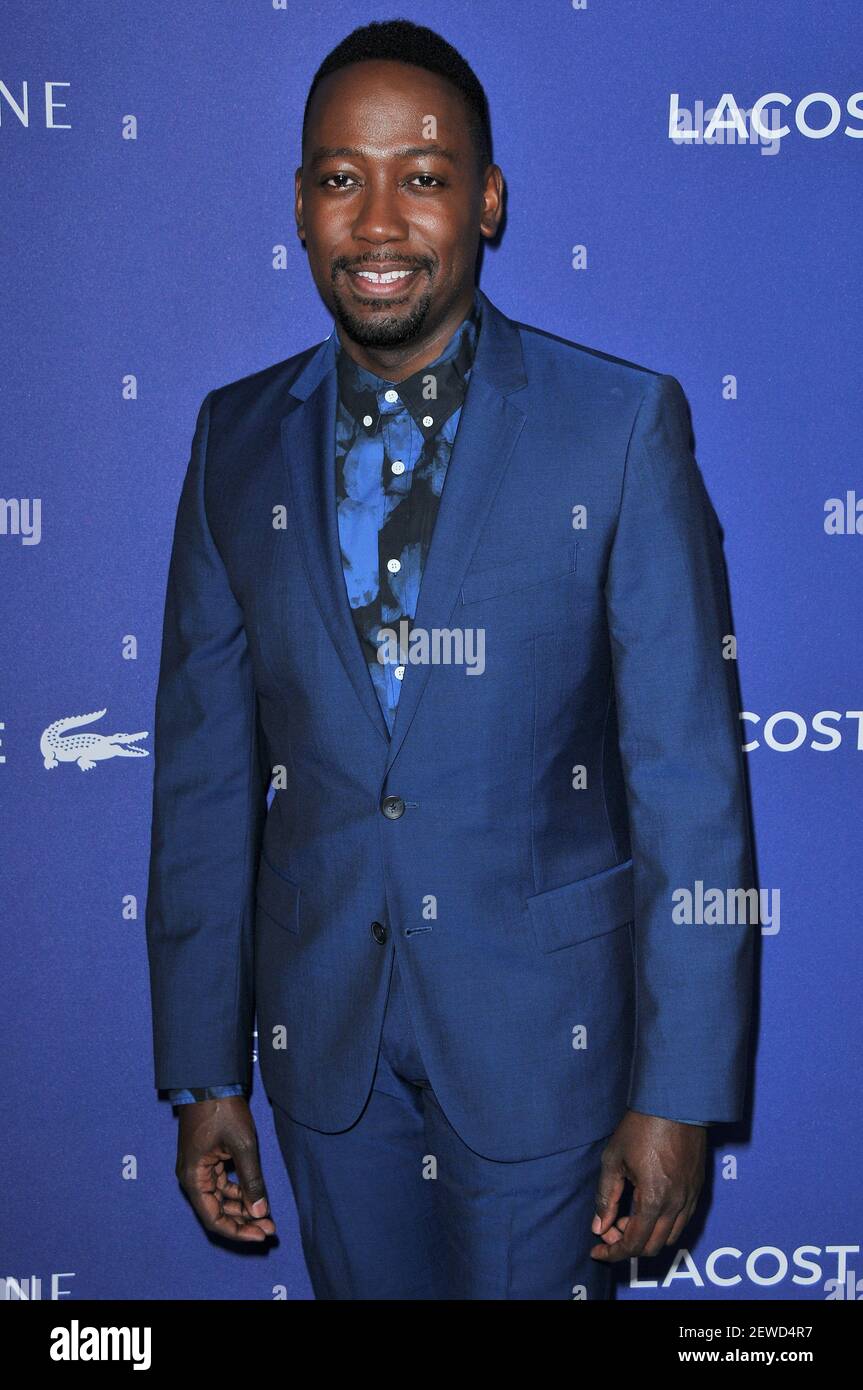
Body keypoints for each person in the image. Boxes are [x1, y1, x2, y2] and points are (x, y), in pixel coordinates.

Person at [145, 18, 756, 1301]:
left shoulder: (617, 428)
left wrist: (679, 1097)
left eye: (420, 177)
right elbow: (201, 785)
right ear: (301, 206)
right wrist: (205, 1076)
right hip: (327, 1062)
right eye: (337, 177)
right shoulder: (233, 440)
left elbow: (688, 786)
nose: (377, 221)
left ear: (483, 200)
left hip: (548, 1051)